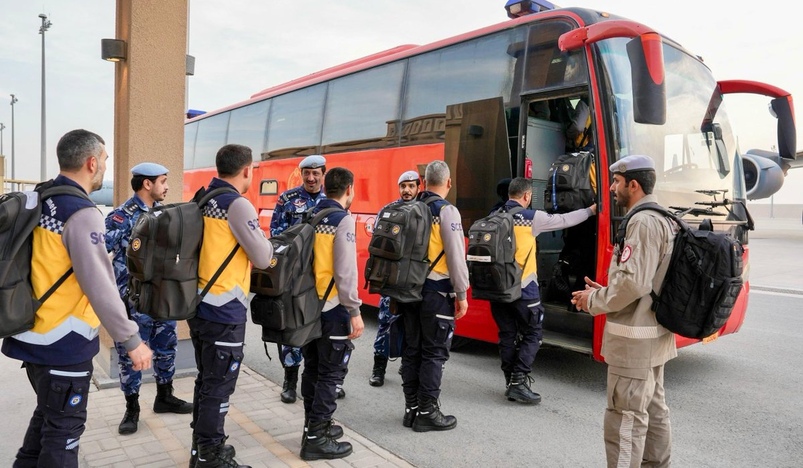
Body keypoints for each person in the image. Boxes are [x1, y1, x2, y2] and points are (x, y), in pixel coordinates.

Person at [1, 129, 153, 467]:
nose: (104, 168)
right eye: (105, 161)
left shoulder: (41, 199)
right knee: (62, 439)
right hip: (64, 345)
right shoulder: (81, 212)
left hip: (31, 335)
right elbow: (100, 284)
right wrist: (131, 340)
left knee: (45, 426)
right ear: (91, 162)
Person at [571, 154, 677, 468]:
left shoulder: (642, 221)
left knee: (626, 419)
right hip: (653, 337)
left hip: (634, 342)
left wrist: (592, 300)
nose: (612, 189)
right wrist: (603, 289)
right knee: (654, 411)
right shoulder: (663, 217)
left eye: (616, 182)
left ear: (633, 184)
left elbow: (633, 285)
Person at [189, 144, 274, 468]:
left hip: (201, 305)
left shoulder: (204, 197)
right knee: (219, 385)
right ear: (247, 171)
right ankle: (210, 456)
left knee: (207, 381)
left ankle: (202, 451)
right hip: (224, 308)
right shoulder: (236, 204)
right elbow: (263, 256)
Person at [490, 177, 596, 404]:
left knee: (507, 335)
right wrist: (590, 210)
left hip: (497, 289)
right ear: (527, 196)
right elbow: (565, 219)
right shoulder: (530, 218)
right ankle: (518, 382)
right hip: (523, 288)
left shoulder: (493, 217)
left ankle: (511, 382)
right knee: (533, 333)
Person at [105, 162, 193, 436]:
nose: (166, 187)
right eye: (163, 181)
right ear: (147, 184)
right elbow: (103, 249)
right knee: (130, 355)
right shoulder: (122, 215)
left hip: (162, 297)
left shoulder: (166, 214)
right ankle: (132, 408)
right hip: (134, 299)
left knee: (167, 347)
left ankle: (164, 396)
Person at [398, 160, 469, 432]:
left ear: (423, 182)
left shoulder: (409, 207)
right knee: (434, 353)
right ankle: (428, 412)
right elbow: (455, 255)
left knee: (412, 351)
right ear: (448, 183)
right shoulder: (446, 211)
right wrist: (461, 293)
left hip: (407, 291)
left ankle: (411, 410)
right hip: (435, 291)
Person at [299, 167, 364, 460]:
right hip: (332, 306)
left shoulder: (312, 215)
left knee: (312, 367)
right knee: (330, 373)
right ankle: (317, 438)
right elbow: (345, 270)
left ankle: (311, 426)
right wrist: (354, 309)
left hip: (308, 307)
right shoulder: (342, 220)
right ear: (348, 188)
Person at [269, 155, 345, 403]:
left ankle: (325, 379)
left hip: (322, 278)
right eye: (306, 173)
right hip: (294, 276)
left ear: (324, 174)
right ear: (300, 174)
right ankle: (290, 380)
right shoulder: (288, 200)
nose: (311, 178)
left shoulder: (332, 201)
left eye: (316, 173)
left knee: (322, 330)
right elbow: (275, 234)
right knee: (292, 328)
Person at [368, 170, 421, 387]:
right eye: (403, 186)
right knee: (385, 323)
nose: (406, 190)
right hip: (390, 278)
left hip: (414, 280)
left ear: (419, 187)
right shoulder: (388, 210)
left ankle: (406, 366)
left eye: (411, 186)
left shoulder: (423, 212)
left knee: (413, 327)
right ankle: (378, 368)